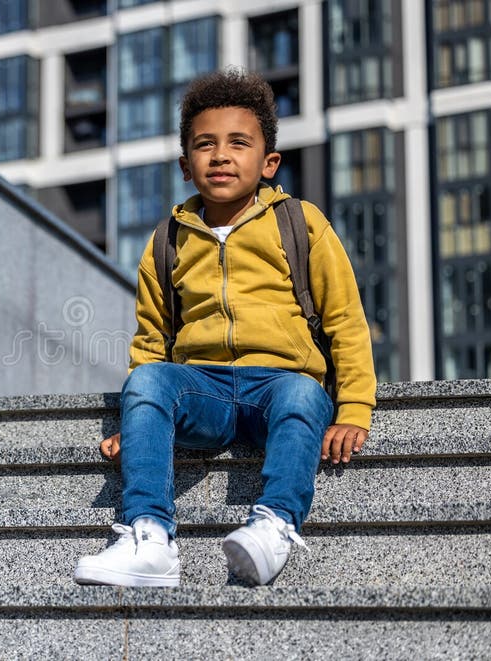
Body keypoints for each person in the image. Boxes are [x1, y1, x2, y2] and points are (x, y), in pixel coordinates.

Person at [73, 68, 376, 588]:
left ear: (268, 162)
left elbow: (345, 319)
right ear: (185, 166)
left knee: (305, 394)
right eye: (204, 145)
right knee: (146, 383)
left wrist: (354, 408)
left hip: (279, 385)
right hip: (204, 390)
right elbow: (152, 338)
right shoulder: (167, 240)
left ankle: (274, 525)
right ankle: (150, 536)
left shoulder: (300, 223)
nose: (220, 155)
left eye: (239, 143)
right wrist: (142, 423)